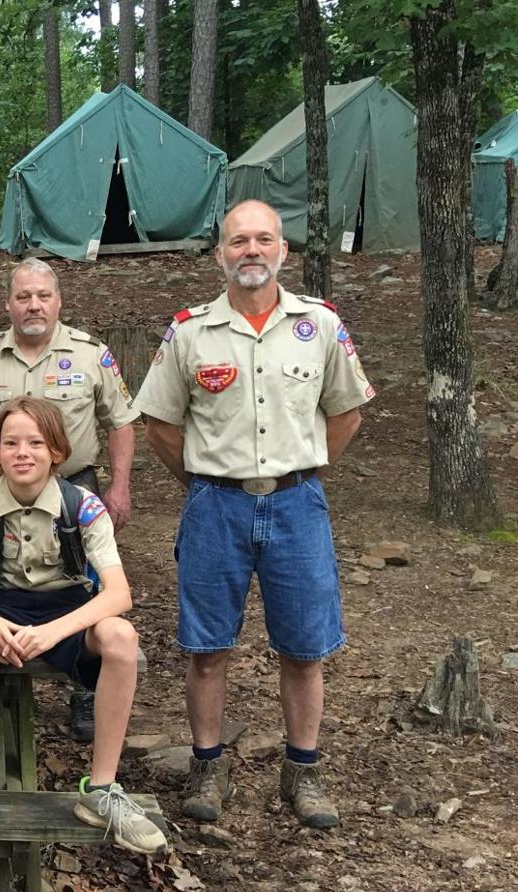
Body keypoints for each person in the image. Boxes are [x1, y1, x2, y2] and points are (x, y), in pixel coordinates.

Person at [132, 199, 373, 830]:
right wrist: (205, 479)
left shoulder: (319, 326)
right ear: (219, 254)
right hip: (216, 506)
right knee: (207, 648)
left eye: (264, 239)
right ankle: (209, 765)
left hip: (298, 505)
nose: (251, 251)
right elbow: (159, 421)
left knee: (304, 648)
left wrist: (305, 471)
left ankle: (304, 770)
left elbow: (346, 410)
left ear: (283, 251)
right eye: (238, 241)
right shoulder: (189, 332)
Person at [0, 397, 165, 854]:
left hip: (65, 611)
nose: (22, 452)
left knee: (121, 636)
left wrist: (55, 632)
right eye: (11, 443)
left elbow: (118, 594)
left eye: (35, 442)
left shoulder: (82, 504)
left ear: (57, 452)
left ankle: (102, 789)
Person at [0, 257, 139, 742]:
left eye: (43, 296)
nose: (33, 305)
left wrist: (120, 485)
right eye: (23, 296)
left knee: (84, 589)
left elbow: (122, 420)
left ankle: (84, 691)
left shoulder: (90, 354)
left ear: (59, 301)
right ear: (8, 304)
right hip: (0, 501)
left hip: (75, 493)